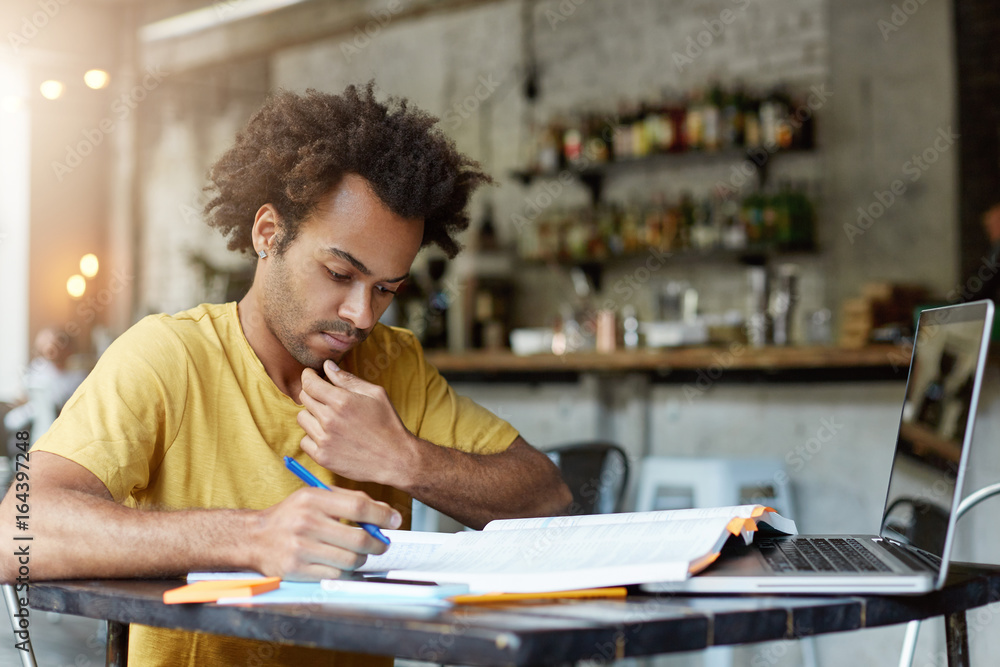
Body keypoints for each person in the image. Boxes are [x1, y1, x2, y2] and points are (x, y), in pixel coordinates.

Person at [0, 83, 572, 666]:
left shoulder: (393, 367)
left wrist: (404, 459)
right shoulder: (169, 357)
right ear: (268, 233)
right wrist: (252, 538)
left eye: (386, 290)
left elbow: (548, 499)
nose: (361, 315)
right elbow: (19, 532)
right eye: (339, 273)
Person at [3, 326, 88, 443]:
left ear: (68, 348)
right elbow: (24, 396)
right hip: (34, 424)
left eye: (57, 343)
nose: (51, 348)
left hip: (63, 428)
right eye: (47, 343)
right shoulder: (38, 368)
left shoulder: (78, 376)